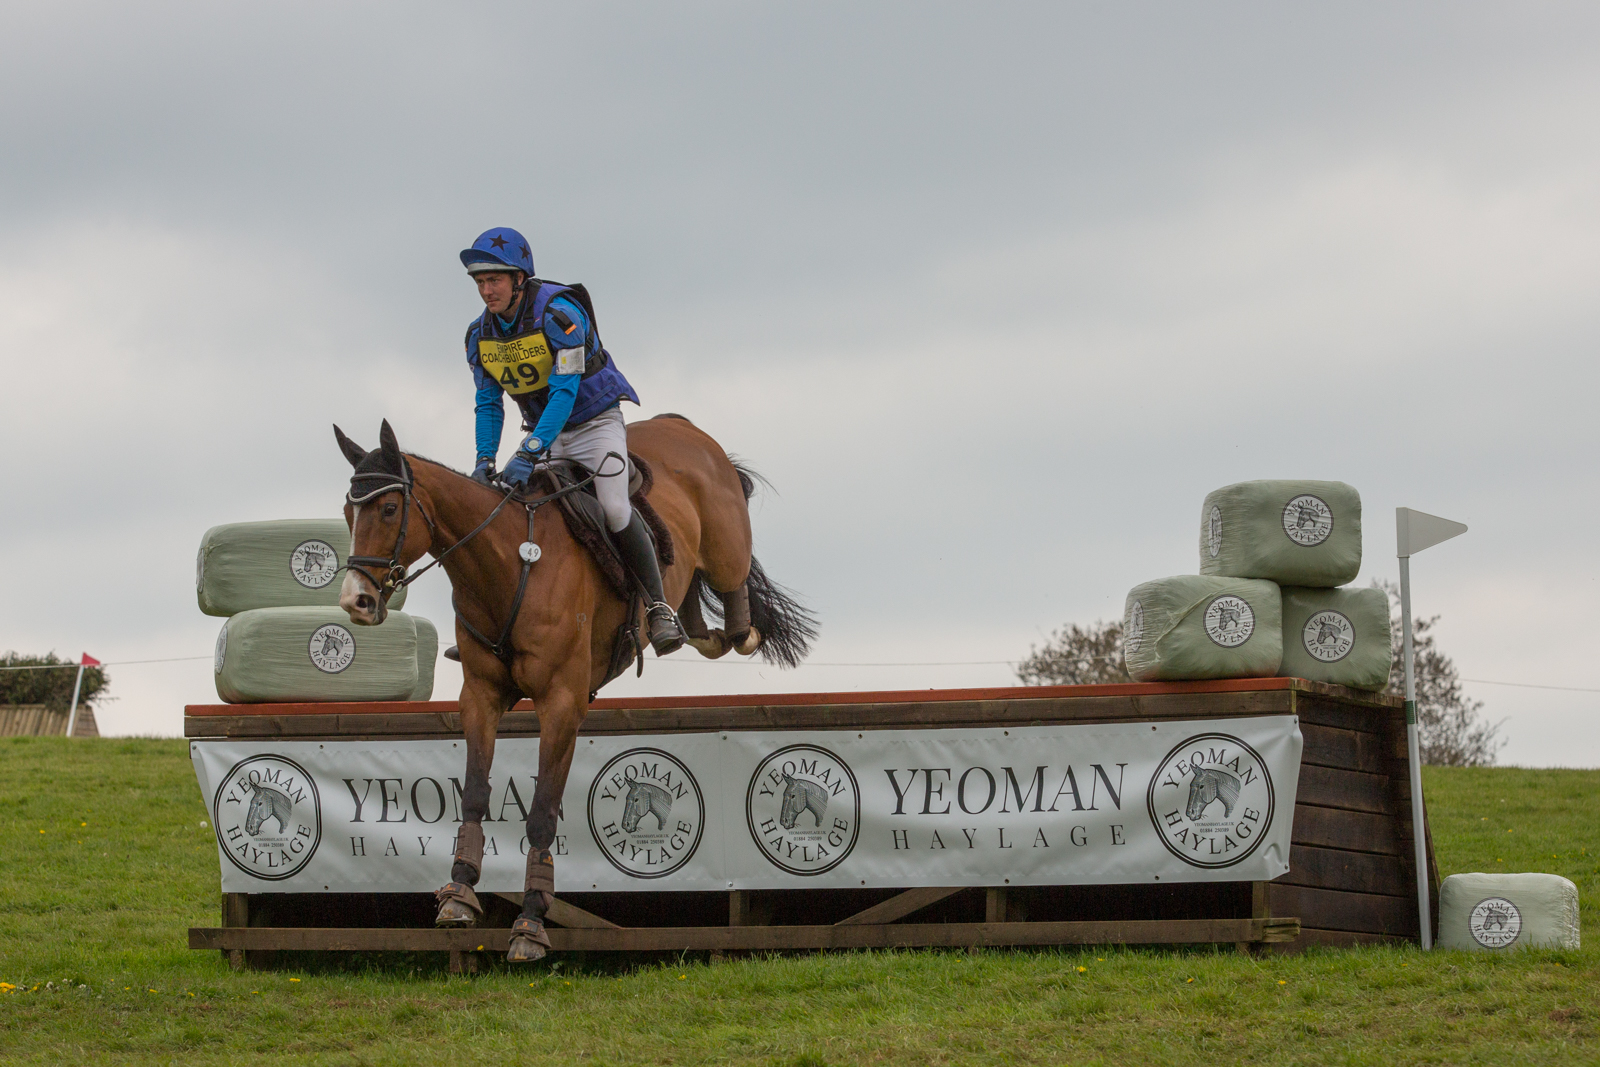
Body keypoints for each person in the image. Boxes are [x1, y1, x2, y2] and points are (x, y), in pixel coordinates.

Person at [458, 227, 684, 655]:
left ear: (519, 278)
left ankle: (658, 609)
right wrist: (484, 460)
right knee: (517, 513)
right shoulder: (479, 336)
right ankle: (504, 627)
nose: (487, 290)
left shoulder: (561, 315)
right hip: (544, 434)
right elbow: (488, 404)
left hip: (594, 425)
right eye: (481, 282)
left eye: (495, 280)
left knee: (615, 508)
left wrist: (529, 451)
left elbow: (564, 392)